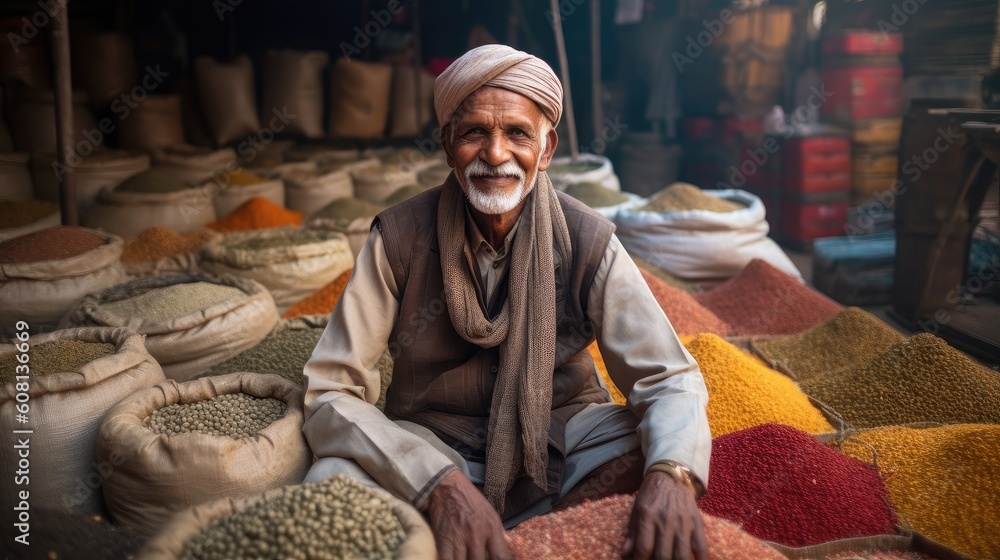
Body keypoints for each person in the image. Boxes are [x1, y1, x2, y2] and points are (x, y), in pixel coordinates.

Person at [302, 44, 711, 560]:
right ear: (449, 145)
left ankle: (542, 536)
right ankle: (471, 520)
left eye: (517, 133)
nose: (495, 154)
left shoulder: (586, 238)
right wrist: (438, 485)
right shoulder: (400, 236)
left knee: (655, 446)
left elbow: (667, 378)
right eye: (474, 132)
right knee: (331, 477)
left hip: (560, 444)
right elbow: (330, 390)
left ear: (545, 149)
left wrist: (672, 476)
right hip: (431, 446)